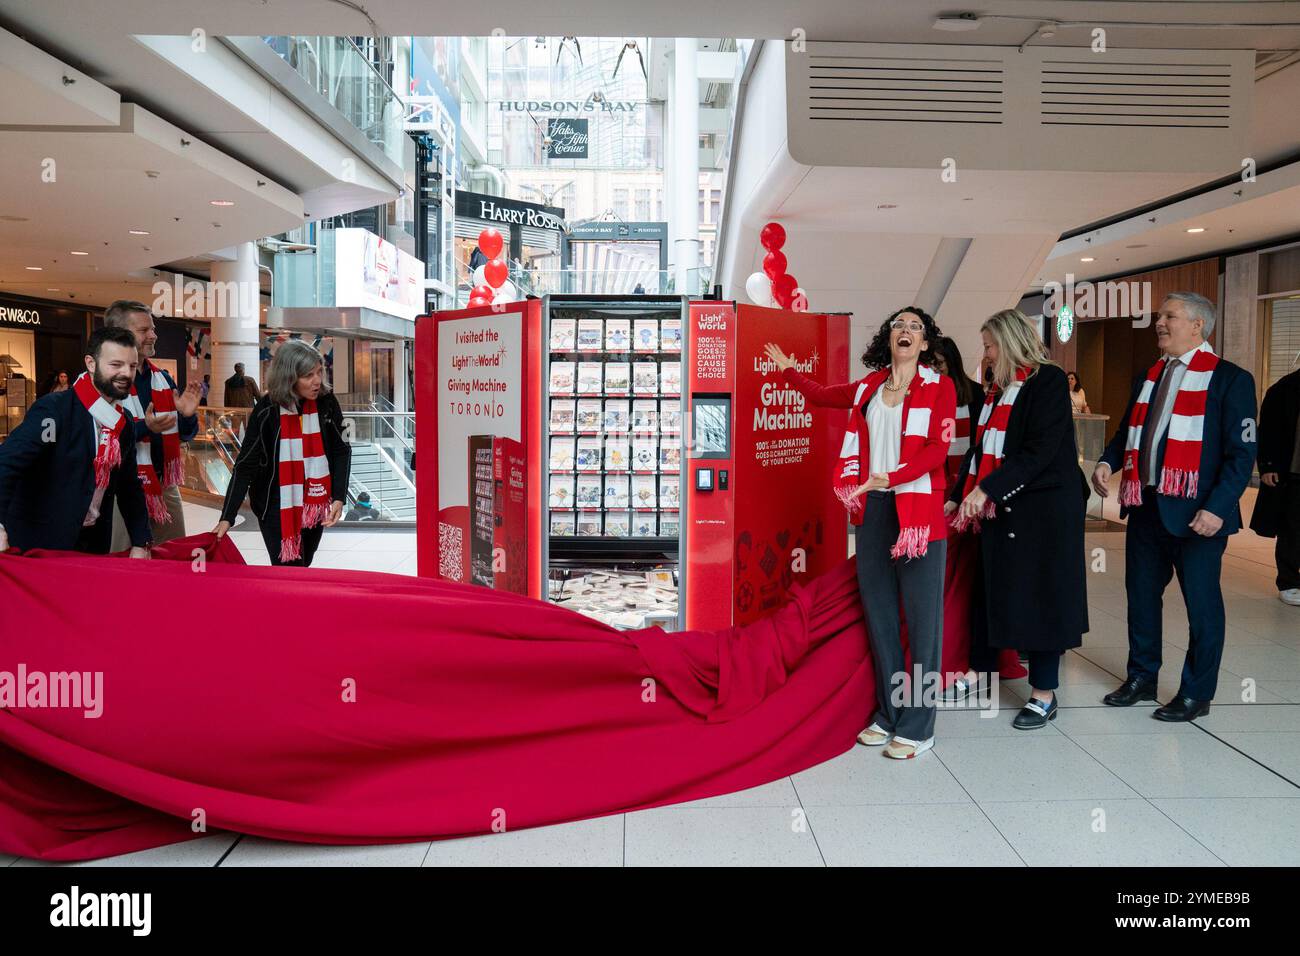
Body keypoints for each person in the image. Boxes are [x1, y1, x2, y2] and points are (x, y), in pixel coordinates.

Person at [765, 306, 956, 759]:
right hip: (874, 510)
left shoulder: (939, 387)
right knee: (881, 614)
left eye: (915, 327)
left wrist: (890, 476)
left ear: (926, 343)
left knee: (923, 621)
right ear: (888, 339)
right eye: (898, 325)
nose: (905, 331)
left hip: (918, 513)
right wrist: (791, 373)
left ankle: (920, 723)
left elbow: (938, 449)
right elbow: (823, 395)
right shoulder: (870, 387)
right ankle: (889, 714)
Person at [1094, 292, 1257, 721]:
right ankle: (1142, 678)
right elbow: (1129, 428)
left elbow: (1242, 455)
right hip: (1146, 507)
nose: (1159, 323)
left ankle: (1196, 694)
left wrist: (1219, 507)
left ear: (1198, 326)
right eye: (1160, 316)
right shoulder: (1150, 375)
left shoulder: (1230, 379)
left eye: (1170, 316)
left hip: (1199, 515)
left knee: (1202, 608)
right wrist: (1108, 461)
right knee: (1141, 599)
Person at [950, 309, 1089, 730]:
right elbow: (980, 449)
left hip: (1044, 510)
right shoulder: (999, 387)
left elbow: (1039, 451)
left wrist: (986, 490)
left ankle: (1044, 693)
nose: (987, 354)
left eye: (991, 346)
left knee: (1042, 596)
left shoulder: (1045, 381)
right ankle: (980, 670)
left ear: (1010, 342)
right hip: (1006, 504)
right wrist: (958, 495)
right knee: (990, 588)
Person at [0, 327, 151, 557]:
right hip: (40, 544)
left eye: (131, 366)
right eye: (116, 365)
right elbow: (7, 464)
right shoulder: (54, 410)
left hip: (93, 544)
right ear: (91, 364)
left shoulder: (124, 423)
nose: (126, 373)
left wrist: (141, 541)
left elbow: (129, 486)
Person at [930, 335, 1025, 698]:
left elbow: (978, 450)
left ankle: (989, 653)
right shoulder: (927, 392)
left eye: (940, 362)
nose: (935, 369)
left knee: (976, 577)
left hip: (977, 495)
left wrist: (972, 491)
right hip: (948, 496)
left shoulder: (976, 394)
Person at [213, 340, 350, 566]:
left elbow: (341, 450)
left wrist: (339, 497)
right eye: (308, 375)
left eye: (319, 372)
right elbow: (245, 464)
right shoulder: (266, 410)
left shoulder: (327, 402)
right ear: (289, 377)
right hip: (274, 505)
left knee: (303, 565)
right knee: (288, 571)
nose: (317, 381)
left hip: (314, 501)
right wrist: (228, 516)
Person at [103, 300, 202, 548]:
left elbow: (185, 435)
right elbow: (101, 436)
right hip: (118, 489)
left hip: (163, 485)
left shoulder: (162, 378)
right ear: (120, 335)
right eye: (144, 330)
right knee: (124, 564)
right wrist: (146, 427)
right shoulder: (102, 382)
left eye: (153, 328)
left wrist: (187, 416)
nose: (153, 335)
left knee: (173, 558)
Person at [1251, 359, 1300, 606]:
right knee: (1291, 529)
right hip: (1293, 473)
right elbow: (1267, 431)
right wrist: (1268, 466)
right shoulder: (1284, 389)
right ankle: (1289, 581)